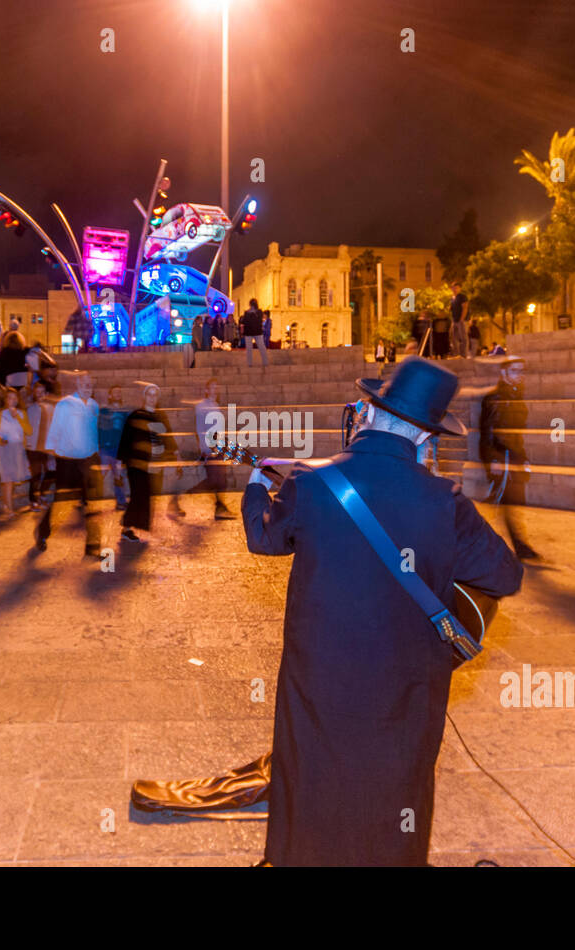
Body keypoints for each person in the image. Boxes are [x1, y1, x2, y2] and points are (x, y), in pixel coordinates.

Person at [241, 356, 523, 865]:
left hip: (320, 679)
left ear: (368, 415)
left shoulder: (310, 483)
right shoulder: (446, 500)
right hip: (406, 683)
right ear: (425, 438)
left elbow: (264, 538)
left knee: (313, 771)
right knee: (395, 779)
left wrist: (259, 485)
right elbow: (506, 576)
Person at [479, 356, 540, 560]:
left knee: (509, 503)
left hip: (513, 456)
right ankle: (517, 546)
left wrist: (522, 457)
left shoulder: (515, 395)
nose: (520, 375)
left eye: (522, 371)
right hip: (502, 457)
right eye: (515, 371)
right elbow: (487, 432)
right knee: (504, 504)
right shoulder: (495, 398)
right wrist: (493, 460)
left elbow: (516, 433)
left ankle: (516, 544)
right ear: (504, 373)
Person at [36, 371, 101, 556]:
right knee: (58, 500)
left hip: (87, 460)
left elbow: (92, 431)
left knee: (91, 503)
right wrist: (50, 455)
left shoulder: (94, 406)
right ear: (77, 385)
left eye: (90, 383)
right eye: (84, 383)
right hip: (67, 460)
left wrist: (95, 452)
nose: (88, 386)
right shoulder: (65, 404)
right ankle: (42, 533)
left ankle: (92, 546)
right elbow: (55, 428)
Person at [118, 382, 178, 542]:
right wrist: (120, 461)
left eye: (154, 395)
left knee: (144, 495)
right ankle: (126, 527)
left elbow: (166, 438)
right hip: (136, 463)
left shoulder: (159, 416)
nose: (152, 398)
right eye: (149, 394)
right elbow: (125, 439)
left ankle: (128, 524)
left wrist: (174, 453)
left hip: (152, 464)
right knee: (139, 494)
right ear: (144, 397)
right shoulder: (136, 415)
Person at [192, 378, 235, 520]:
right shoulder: (201, 406)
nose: (215, 390)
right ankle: (183, 494)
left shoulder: (216, 405)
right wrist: (204, 448)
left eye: (217, 387)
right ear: (206, 390)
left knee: (220, 480)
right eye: (212, 387)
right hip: (210, 448)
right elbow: (200, 428)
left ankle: (220, 508)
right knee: (215, 480)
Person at [0, 387, 32, 516]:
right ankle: (9, 508)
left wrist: (17, 416)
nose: (12, 401)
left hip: (17, 449)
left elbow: (29, 431)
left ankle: (6, 505)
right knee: (7, 478)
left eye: (14, 398)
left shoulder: (22, 413)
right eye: (9, 398)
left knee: (9, 479)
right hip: (3, 449)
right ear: (5, 400)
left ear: (18, 400)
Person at [97, 385, 131, 511]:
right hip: (107, 447)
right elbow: (99, 427)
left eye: (119, 392)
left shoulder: (125, 411)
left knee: (119, 475)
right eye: (115, 392)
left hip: (120, 447)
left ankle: (121, 501)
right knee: (109, 474)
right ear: (110, 395)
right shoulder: (104, 410)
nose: (118, 394)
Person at [25, 380, 55, 513]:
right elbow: (27, 427)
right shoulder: (30, 409)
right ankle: (33, 501)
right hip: (33, 446)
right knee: (36, 474)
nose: (39, 395)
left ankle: (42, 495)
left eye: (42, 392)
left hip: (47, 446)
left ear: (46, 393)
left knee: (51, 472)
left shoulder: (51, 408)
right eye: (37, 392)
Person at [242, 299, 268, 367]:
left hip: (258, 332)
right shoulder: (247, 312)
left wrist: (253, 313)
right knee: (249, 349)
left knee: (262, 347)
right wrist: (249, 313)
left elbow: (260, 320)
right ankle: (249, 363)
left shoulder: (259, 312)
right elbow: (245, 322)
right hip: (249, 332)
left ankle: (265, 362)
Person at [450, 283, 470, 358]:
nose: (455, 289)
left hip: (462, 321)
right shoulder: (452, 298)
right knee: (453, 338)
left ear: (459, 288)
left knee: (463, 338)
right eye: (453, 288)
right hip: (454, 320)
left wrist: (462, 319)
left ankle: (464, 355)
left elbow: (465, 308)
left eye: (456, 288)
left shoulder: (462, 297)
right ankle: (456, 354)